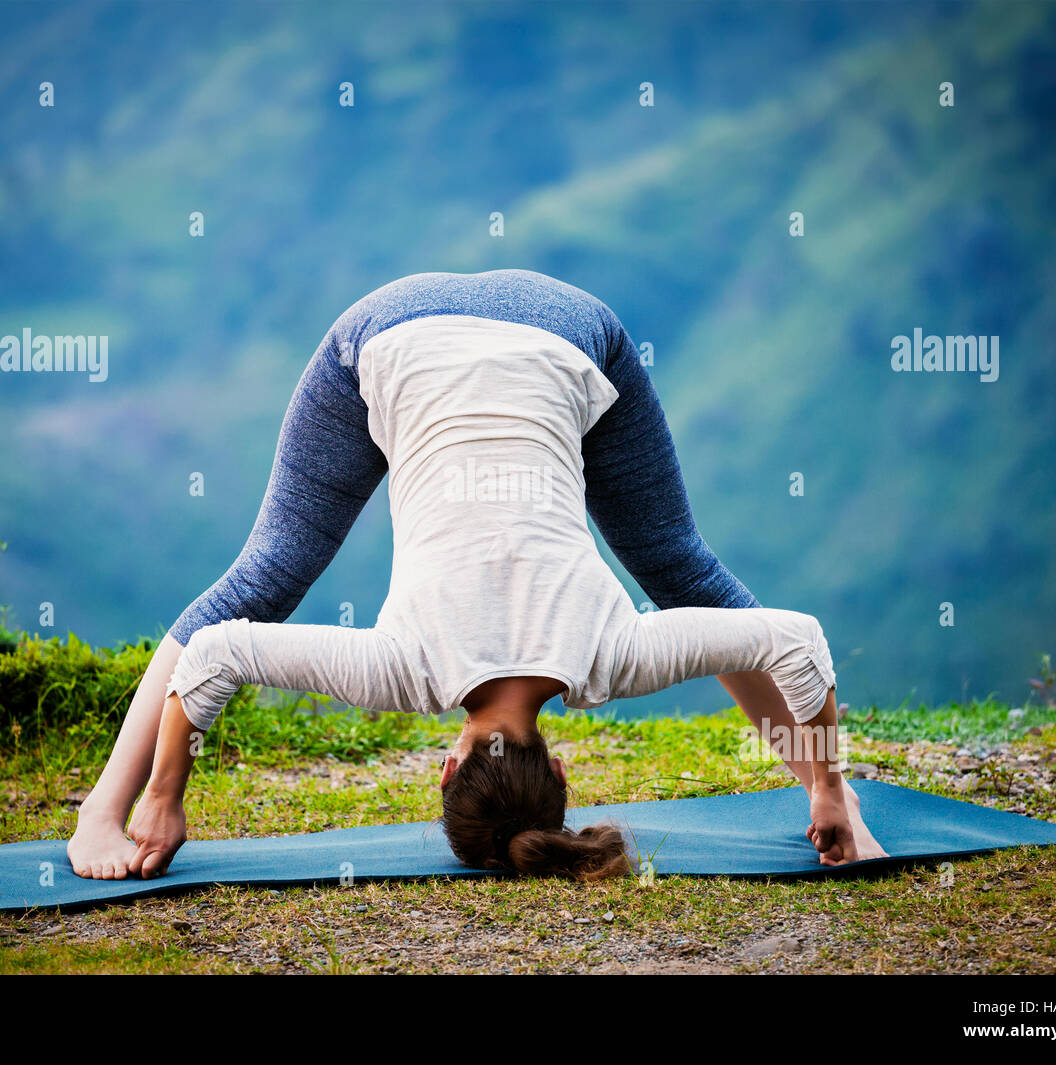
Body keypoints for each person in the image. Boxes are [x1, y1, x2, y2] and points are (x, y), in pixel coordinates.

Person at [67, 269, 886, 882]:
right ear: (448, 768)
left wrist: (826, 784)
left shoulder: (613, 656)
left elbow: (796, 641)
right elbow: (219, 655)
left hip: (565, 330)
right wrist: (167, 797)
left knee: (681, 571)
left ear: (562, 771)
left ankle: (101, 812)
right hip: (391, 336)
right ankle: (105, 812)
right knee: (264, 582)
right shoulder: (403, 669)